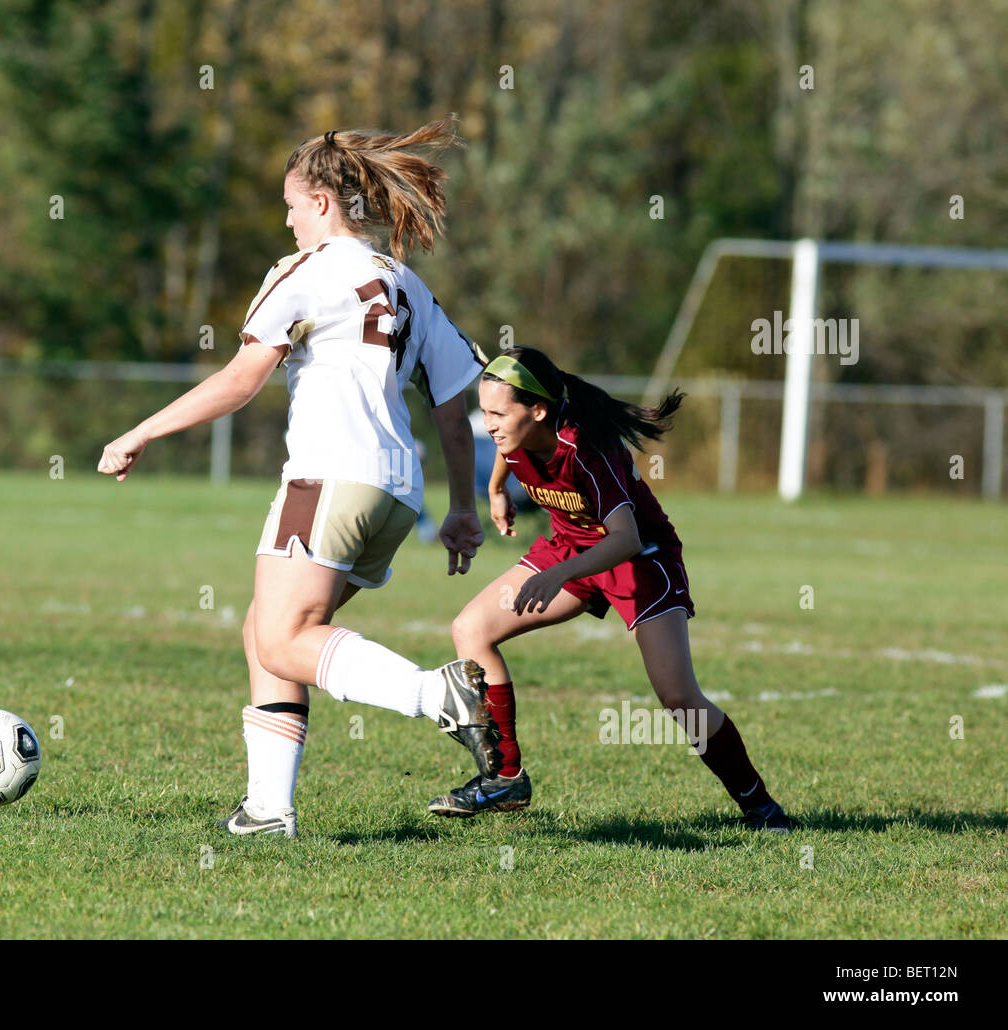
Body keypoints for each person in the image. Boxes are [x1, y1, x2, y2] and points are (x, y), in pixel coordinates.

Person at [98, 120, 500, 838]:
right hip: (395, 494)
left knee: (284, 639)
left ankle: (434, 694)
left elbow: (241, 380)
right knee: (268, 629)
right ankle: (268, 808)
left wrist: (143, 430)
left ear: (320, 202)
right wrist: (462, 509)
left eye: (290, 205)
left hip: (326, 482)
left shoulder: (301, 273)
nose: (285, 220)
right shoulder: (408, 284)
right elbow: (449, 404)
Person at [430, 347, 798, 832]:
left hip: (638, 560)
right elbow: (506, 450)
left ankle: (762, 808)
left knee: (678, 696)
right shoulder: (517, 431)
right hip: (572, 547)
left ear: (538, 410)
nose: (490, 424)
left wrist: (558, 574)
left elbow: (626, 538)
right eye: (486, 412)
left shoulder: (585, 447)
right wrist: (498, 490)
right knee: (471, 630)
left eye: (498, 413)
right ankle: (506, 777)